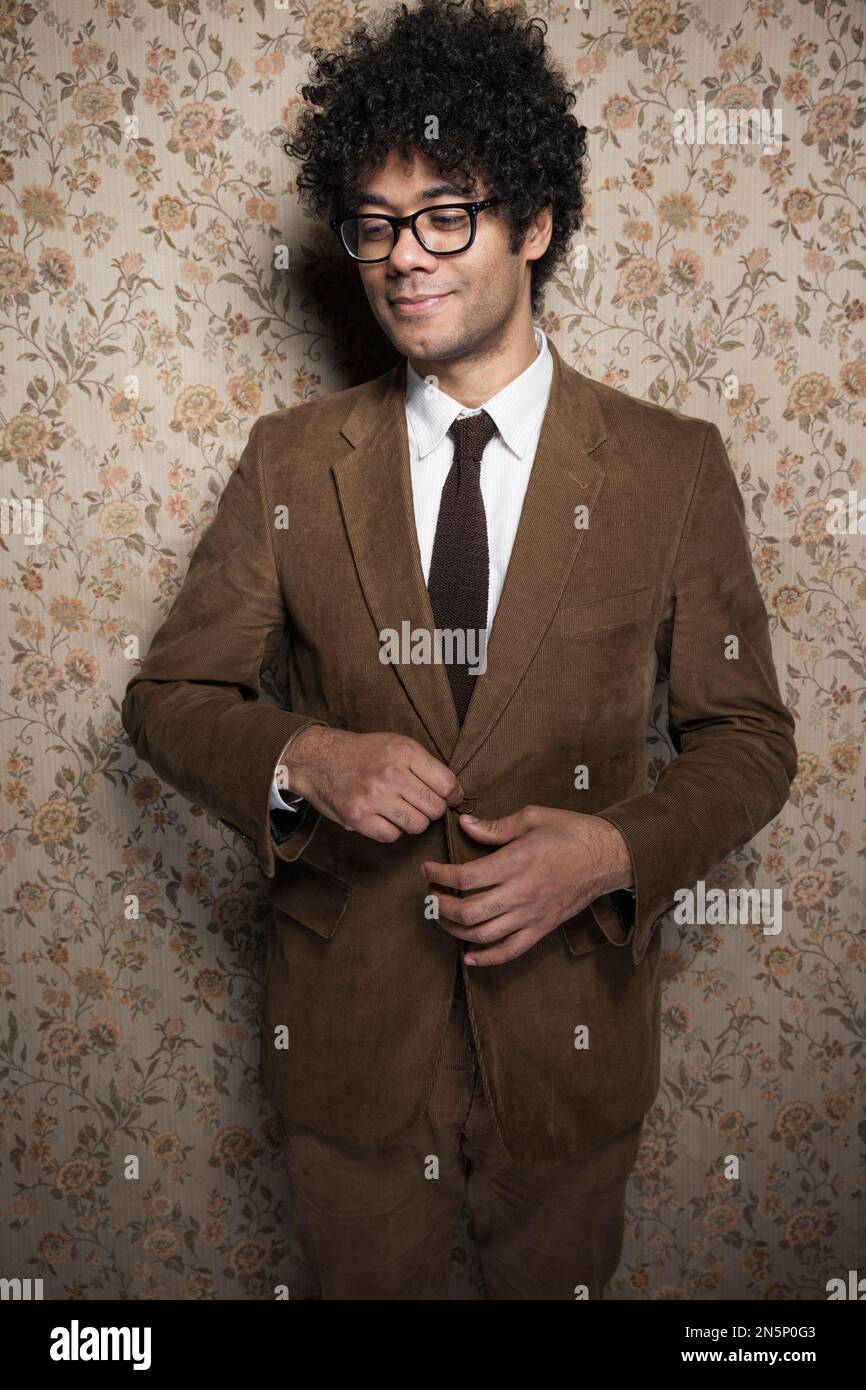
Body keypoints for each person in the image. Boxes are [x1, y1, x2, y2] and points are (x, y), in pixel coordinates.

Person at [121, 0, 797, 1300]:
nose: (400, 259)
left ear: (533, 224)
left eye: (445, 217)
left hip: (570, 1042)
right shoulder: (287, 460)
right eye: (373, 226)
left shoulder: (670, 469)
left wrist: (611, 851)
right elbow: (168, 698)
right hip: (345, 1039)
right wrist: (299, 754)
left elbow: (748, 740)